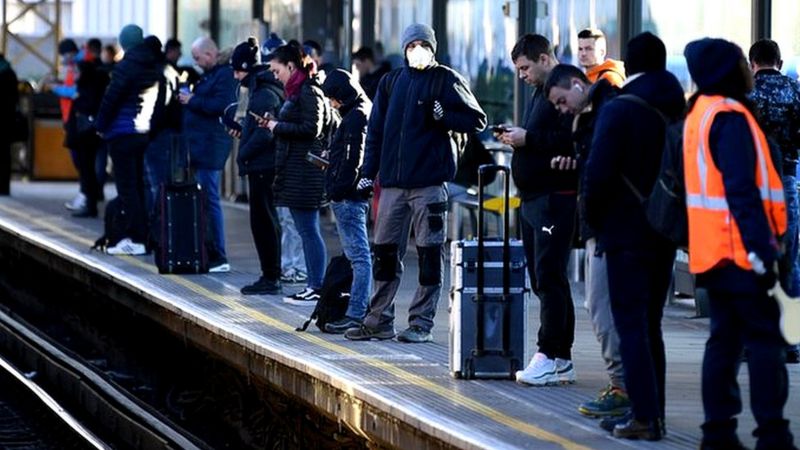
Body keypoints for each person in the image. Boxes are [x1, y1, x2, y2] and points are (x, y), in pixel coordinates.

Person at [683, 38, 795, 450]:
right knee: (766, 343)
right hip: (742, 253)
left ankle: (718, 434)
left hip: (714, 253)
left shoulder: (699, 114)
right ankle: (773, 434)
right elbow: (742, 191)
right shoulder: (730, 117)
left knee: (724, 343)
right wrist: (763, 252)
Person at [344, 23, 486, 343]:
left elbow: (477, 120)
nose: (417, 49)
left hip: (429, 185)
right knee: (384, 253)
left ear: (432, 48)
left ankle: (421, 322)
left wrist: (444, 116)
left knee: (428, 254)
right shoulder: (391, 82)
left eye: (423, 44)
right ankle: (379, 319)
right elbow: (376, 131)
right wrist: (368, 172)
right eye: (412, 44)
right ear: (405, 48)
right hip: (392, 184)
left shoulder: (446, 79)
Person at [582, 32, 685, 440]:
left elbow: (598, 172)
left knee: (630, 325)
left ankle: (643, 417)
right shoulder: (678, 108)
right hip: (664, 230)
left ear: (631, 63)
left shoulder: (621, 107)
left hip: (625, 233)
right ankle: (653, 411)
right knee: (652, 324)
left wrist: (592, 221)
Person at [544, 64, 629, 417]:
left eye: (562, 100)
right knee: (609, 307)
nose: (562, 109)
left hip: (609, 227)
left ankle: (623, 386)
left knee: (601, 305)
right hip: (607, 226)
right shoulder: (591, 116)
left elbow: (607, 169)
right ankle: (626, 386)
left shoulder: (606, 112)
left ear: (578, 85)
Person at [497, 34, 577, 385]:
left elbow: (572, 138)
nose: (522, 75)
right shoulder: (540, 90)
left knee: (549, 275)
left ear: (545, 59)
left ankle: (547, 352)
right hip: (534, 198)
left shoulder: (566, 87)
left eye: (525, 67)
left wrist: (528, 139)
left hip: (553, 198)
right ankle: (560, 356)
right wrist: (520, 137)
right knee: (546, 277)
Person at [258, 44, 333, 304]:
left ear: (291, 66)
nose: (274, 75)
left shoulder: (309, 91)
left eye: (276, 69)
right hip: (296, 171)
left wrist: (278, 126)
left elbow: (312, 128)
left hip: (305, 173)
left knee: (308, 230)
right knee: (306, 229)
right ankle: (315, 284)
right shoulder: (296, 91)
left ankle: (316, 285)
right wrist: (273, 123)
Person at [747, 39, 800, 364]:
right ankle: (790, 341)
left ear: (753, 62)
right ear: (779, 62)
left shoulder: (745, 93)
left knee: (752, 261)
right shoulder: (795, 91)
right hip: (787, 180)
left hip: (752, 184)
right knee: (789, 261)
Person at [94, 24, 161, 255]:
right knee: (139, 187)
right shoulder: (153, 65)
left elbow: (111, 99)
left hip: (122, 133)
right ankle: (143, 237)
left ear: (124, 43)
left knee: (127, 189)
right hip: (142, 133)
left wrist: (100, 126)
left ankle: (136, 239)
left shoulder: (127, 66)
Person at [227, 37, 285, 295]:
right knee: (265, 220)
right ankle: (270, 275)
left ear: (246, 68)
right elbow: (259, 129)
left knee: (263, 222)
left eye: (237, 69)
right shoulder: (261, 89)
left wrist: (243, 154)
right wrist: (243, 133)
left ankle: (270, 277)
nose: (235, 75)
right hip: (262, 163)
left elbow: (264, 134)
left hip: (263, 166)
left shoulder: (262, 94)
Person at [320, 68, 373, 333]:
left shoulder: (355, 118)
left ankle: (356, 313)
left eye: (332, 98)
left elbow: (355, 159)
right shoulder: (359, 112)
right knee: (358, 256)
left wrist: (338, 189)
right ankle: (358, 310)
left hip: (348, 198)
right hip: (351, 195)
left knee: (359, 257)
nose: (331, 103)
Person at [179, 36, 237, 273]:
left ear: (210, 54)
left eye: (197, 58)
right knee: (204, 200)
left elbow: (220, 105)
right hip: (202, 146)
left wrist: (193, 99)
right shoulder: (212, 74)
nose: (196, 62)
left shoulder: (223, 75)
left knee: (210, 200)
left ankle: (218, 255)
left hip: (211, 146)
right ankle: (207, 250)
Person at [65, 42, 110, 217]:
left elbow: (87, 106)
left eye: (76, 72)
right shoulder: (89, 87)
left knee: (89, 169)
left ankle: (89, 202)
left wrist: (77, 99)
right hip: (87, 133)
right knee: (89, 168)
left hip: (86, 134)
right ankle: (88, 199)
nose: (74, 75)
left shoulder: (87, 90)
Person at [0, 53, 18, 196]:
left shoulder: (5, 73)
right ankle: (4, 187)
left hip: (4, 119)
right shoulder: (10, 72)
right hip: (7, 120)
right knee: (5, 154)